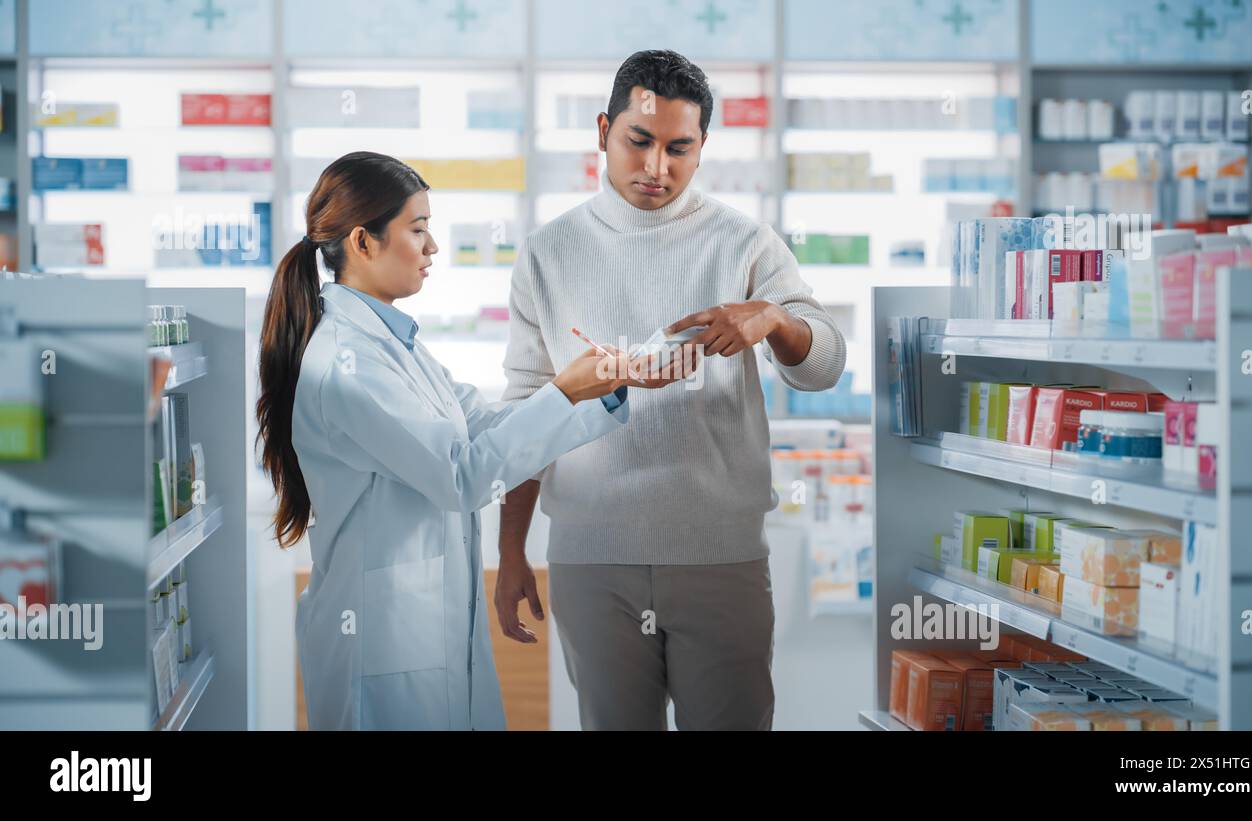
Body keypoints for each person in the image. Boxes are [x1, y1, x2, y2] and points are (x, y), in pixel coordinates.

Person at [495, 51, 847, 730]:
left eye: (679, 148)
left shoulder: (744, 242)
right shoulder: (549, 251)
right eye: (641, 142)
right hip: (593, 558)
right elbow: (525, 410)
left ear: (703, 147)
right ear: (603, 131)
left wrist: (774, 320)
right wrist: (511, 551)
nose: (658, 167)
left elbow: (823, 362)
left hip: (721, 556)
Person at [256, 151, 653, 730]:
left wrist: (601, 386)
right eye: (417, 230)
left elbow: (483, 427)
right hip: (381, 644)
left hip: (424, 634)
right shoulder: (346, 363)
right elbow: (461, 477)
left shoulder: (397, 345)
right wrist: (566, 392)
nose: (432, 247)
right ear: (363, 243)